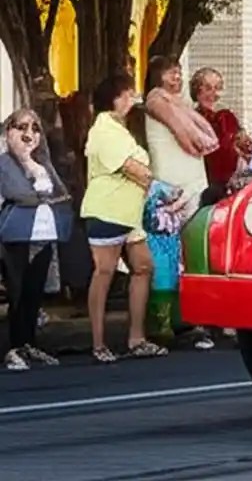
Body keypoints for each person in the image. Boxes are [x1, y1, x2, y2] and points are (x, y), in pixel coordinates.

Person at [82, 74, 170, 363]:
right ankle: (98, 343)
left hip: (130, 212)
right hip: (107, 209)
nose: (132, 100)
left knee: (143, 266)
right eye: (127, 95)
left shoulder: (122, 130)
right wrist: (156, 184)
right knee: (104, 272)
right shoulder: (104, 129)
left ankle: (136, 338)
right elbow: (134, 168)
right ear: (114, 98)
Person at [141, 56, 217, 347]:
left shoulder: (178, 100)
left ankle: (186, 315)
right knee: (167, 255)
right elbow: (186, 136)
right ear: (158, 76)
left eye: (179, 73)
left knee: (187, 253)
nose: (177, 78)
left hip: (190, 183)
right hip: (169, 187)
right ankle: (162, 321)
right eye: (171, 73)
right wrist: (200, 140)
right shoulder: (156, 99)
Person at [0, 109, 73, 370]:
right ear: (8, 132)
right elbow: (21, 194)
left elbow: (61, 194)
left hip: (43, 233)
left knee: (34, 292)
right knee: (17, 293)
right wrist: (28, 165)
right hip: (16, 235)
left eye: (34, 128)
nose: (28, 134)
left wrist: (37, 169)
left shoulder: (44, 163)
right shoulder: (5, 163)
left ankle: (29, 343)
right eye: (21, 127)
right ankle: (14, 347)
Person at [191, 67, 252, 203]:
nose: (214, 93)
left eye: (218, 88)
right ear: (197, 90)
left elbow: (244, 147)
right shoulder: (192, 117)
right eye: (208, 88)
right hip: (202, 179)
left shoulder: (227, 116)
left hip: (228, 182)